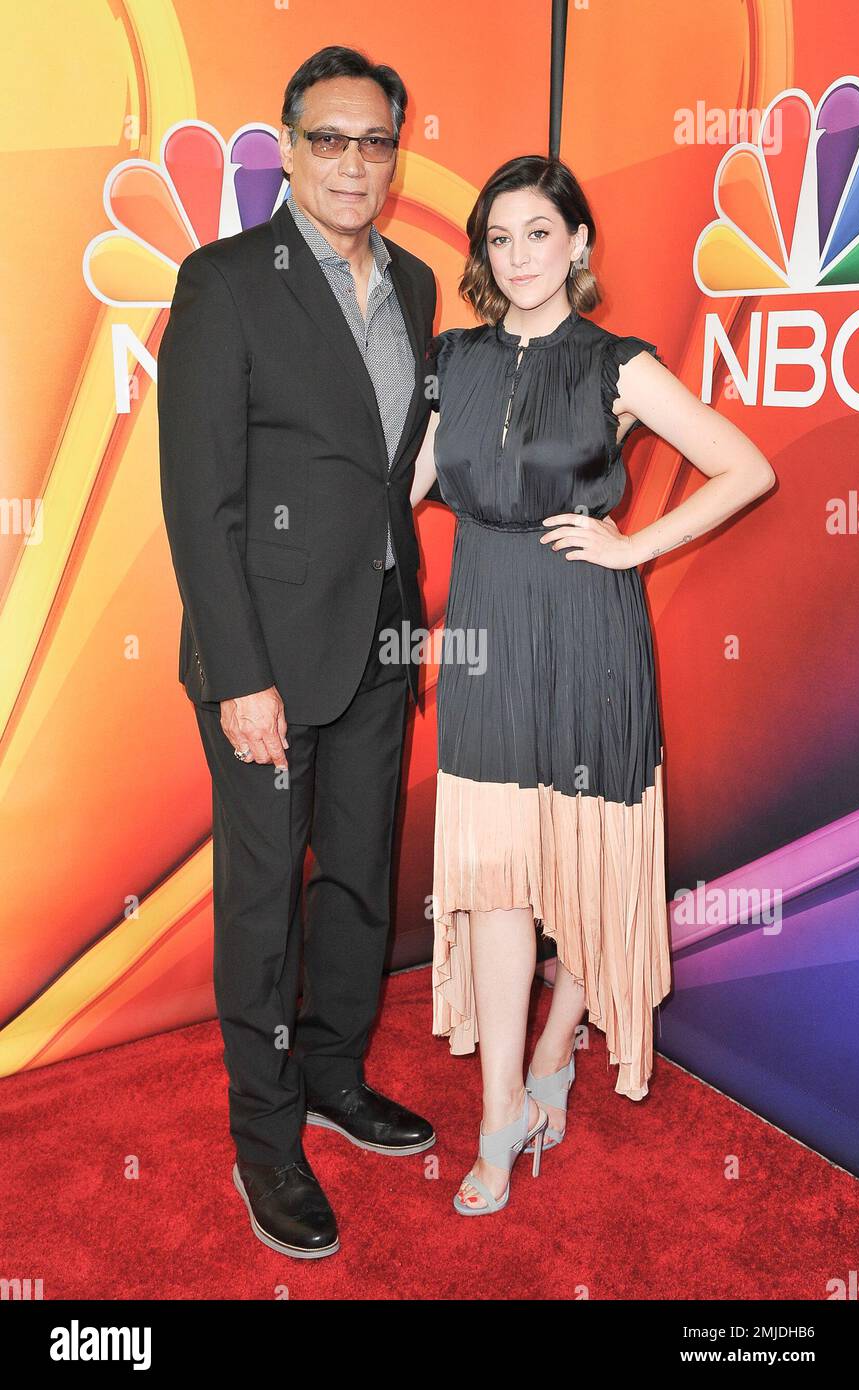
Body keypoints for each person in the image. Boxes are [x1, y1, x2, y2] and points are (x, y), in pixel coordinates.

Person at [411, 155, 775, 1215]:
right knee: (492, 881)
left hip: (586, 634)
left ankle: (555, 1051)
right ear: (481, 256)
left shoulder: (618, 362)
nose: (518, 255)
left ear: (578, 245)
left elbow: (746, 466)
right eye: (498, 238)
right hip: (486, 633)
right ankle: (496, 1115)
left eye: (538, 233)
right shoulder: (455, 359)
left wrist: (634, 548)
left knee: (580, 866)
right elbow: (407, 482)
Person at [158, 45, 441, 1259]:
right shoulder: (225, 279)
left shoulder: (420, 282)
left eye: (373, 141)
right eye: (328, 140)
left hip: (379, 635)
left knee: (361, 882)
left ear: (395, 150)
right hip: (267, 655)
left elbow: (388, 471)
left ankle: (332, 1075)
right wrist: (241, 679)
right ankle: (266, 1139)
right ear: (285, 147)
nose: (353, 164)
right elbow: (199, 500)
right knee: (263, 905)